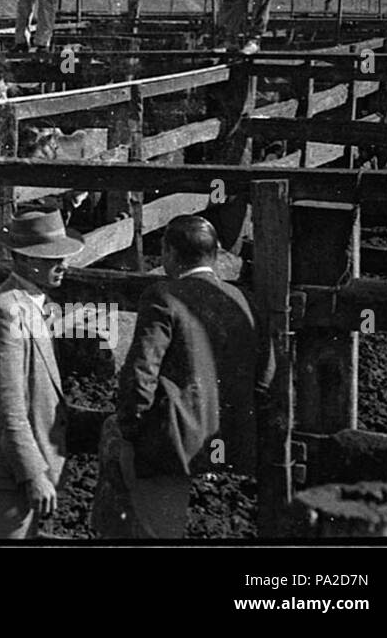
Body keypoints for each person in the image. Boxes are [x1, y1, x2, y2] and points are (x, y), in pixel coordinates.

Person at [93, 216, 272, 539]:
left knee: (153, 531)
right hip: (229, 444)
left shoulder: (164, 296)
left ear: (170, 253)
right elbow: (265, 378)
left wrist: (132, 427)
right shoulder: (246, 300)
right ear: (215, 255)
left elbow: (141, 373)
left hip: (172, 444)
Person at [0, 205, 82, 539]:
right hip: (8, 468)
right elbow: (7, 402)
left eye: (63, 256)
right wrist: (32, 473)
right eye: (50, 258)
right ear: (23, 258)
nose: (63, 265)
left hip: (20, 463)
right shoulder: (5, 312)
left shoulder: (33, 304)